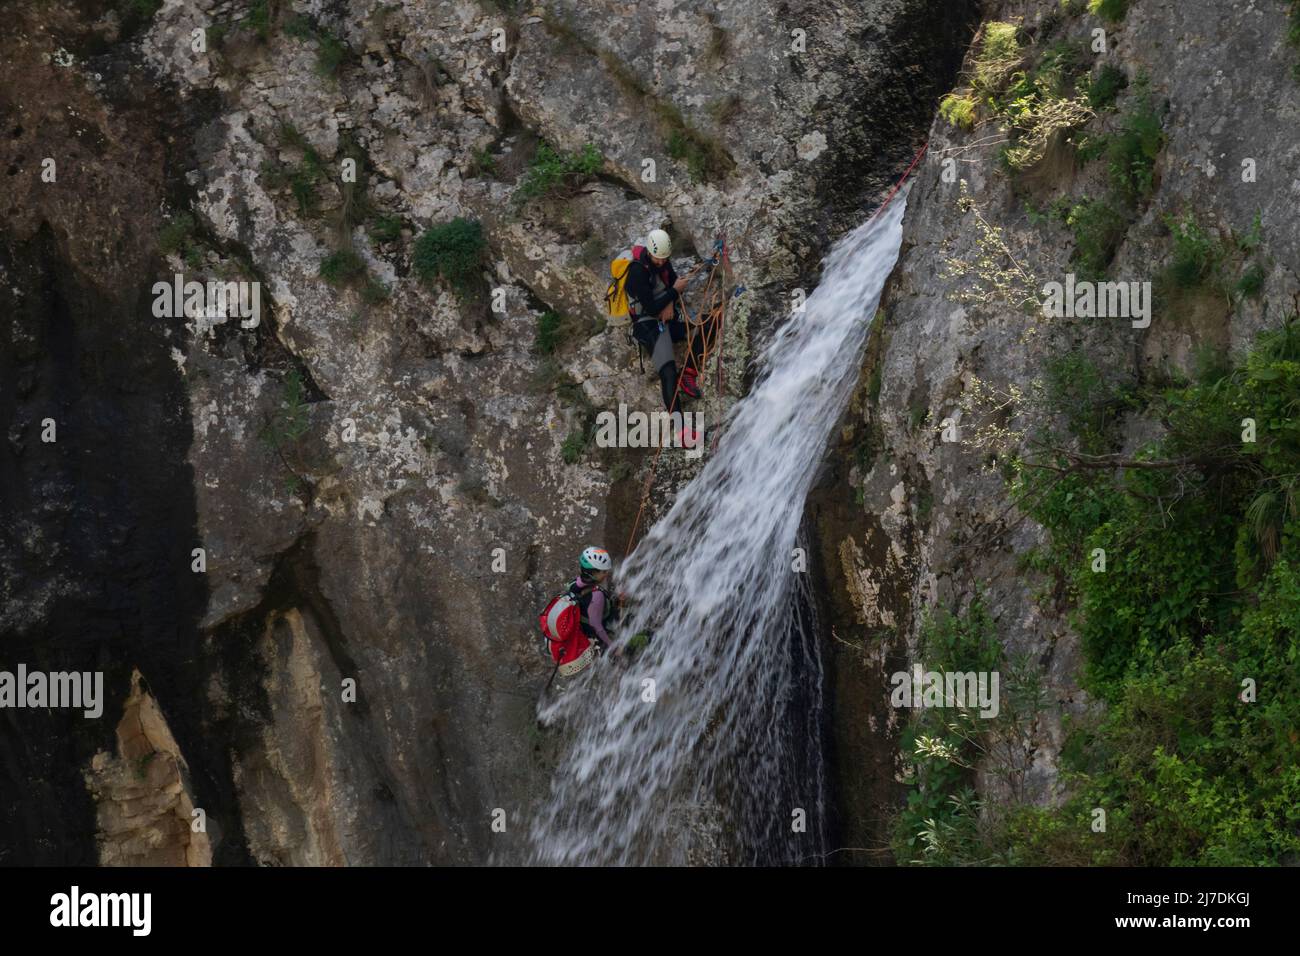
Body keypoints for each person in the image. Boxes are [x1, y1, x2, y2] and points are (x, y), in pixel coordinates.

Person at [625, 229, 706, 414]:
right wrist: (674, 293)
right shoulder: (638, 271)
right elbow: (653, 308)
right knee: (668, 373)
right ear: (649, 252)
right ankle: (681, 428)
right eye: (658, 258)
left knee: (703, 326)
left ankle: (688, 373)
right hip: (647, 325)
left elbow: (673, 283)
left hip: (665, 321)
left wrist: (670, 301)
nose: (662, 262)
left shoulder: (663, 261)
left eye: (664, 258)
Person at [570, 546, 619, 653]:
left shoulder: (575, 583)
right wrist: (613, 647)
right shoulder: (597, 596)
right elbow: (597, 627)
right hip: (596, 630)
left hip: (585, 623)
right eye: (604, 571)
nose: (607, 574)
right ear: (593, 573)